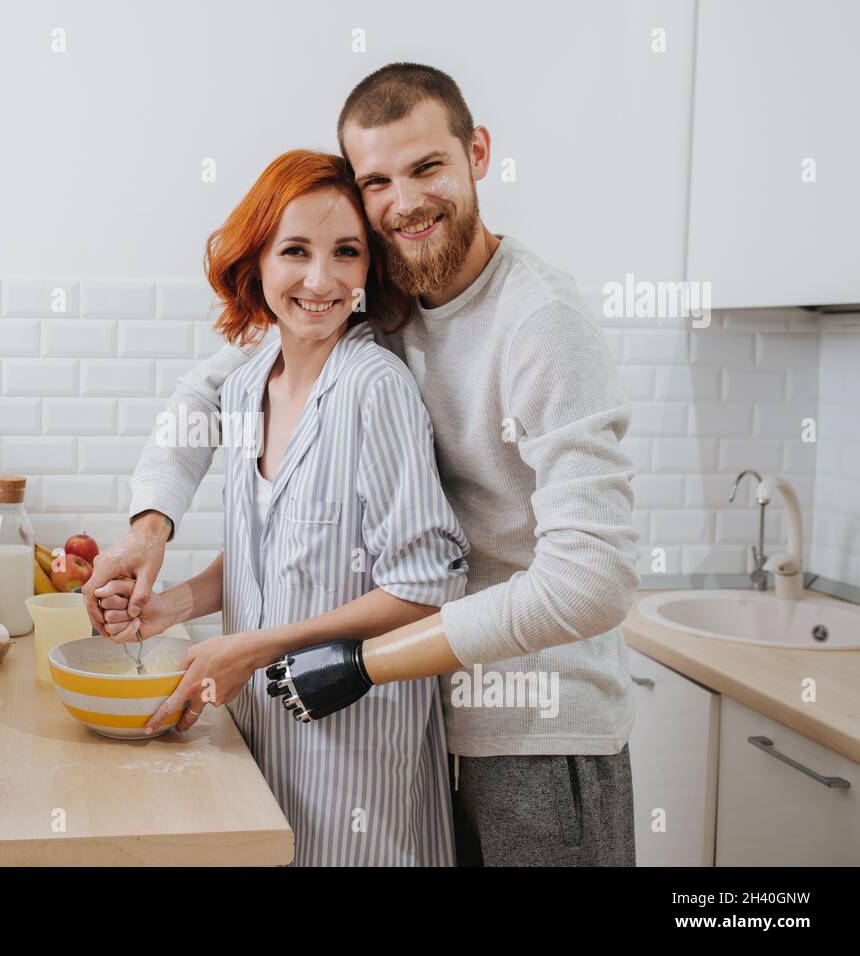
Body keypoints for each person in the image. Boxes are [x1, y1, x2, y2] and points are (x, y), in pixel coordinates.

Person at [85, 63, 641, 867]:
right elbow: (211, 391)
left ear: (477, 153)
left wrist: (360, 663)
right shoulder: (384, 300)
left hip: (537, 725)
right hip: (425, 715)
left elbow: (594, 581)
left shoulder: (539, 323)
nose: (405, 201)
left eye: (427, 167)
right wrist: (150, 528)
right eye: (377, 180)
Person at [95, 148, 468, 866]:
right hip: (261, 743)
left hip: (359, 761)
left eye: (347, 254)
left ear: (370, 269)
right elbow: (276, 549)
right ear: (256, 261)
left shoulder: (374, 389)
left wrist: (254, 646)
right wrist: (169, 606)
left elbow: (425, 589)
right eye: (295, 251)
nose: (321, 280)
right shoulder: (243, 391)